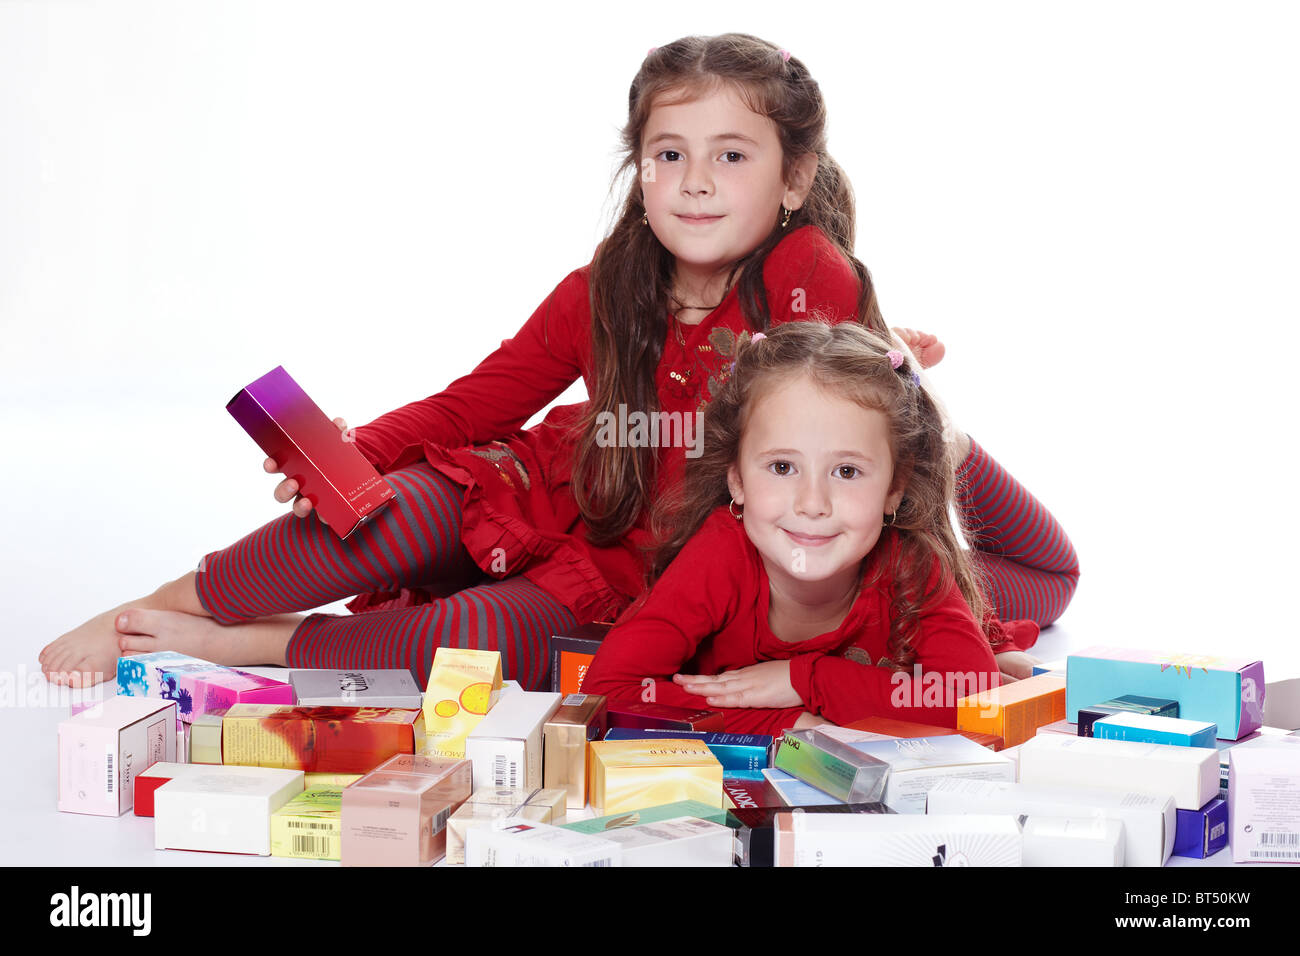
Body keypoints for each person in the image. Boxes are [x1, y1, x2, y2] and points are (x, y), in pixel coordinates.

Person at [39, 33, 1071, 691]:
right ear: (639, 168)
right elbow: (476, 401)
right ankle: (156, 602)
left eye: (733, 155)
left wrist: (902, 391)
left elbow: (813, 377)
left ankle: (252, 642)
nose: (697, 182)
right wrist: (356, 447)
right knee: (373, 515)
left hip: (649, 561)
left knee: (462, 640)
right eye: (670, 154)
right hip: (566, 481)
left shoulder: (804, 271)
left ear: (795, 176)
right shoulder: (605, 285)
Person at [582, 321, 1058, 735]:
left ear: (895, 487)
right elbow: (610, 691)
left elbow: (968, 699)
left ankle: (985, 624)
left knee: (1057, 579)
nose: (812, 505)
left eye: (846, 471)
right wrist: (784, 722)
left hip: (940, 576)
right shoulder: (721, 553)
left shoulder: (909, 559)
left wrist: (803, 679)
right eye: (783, 467)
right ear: (736, 478)